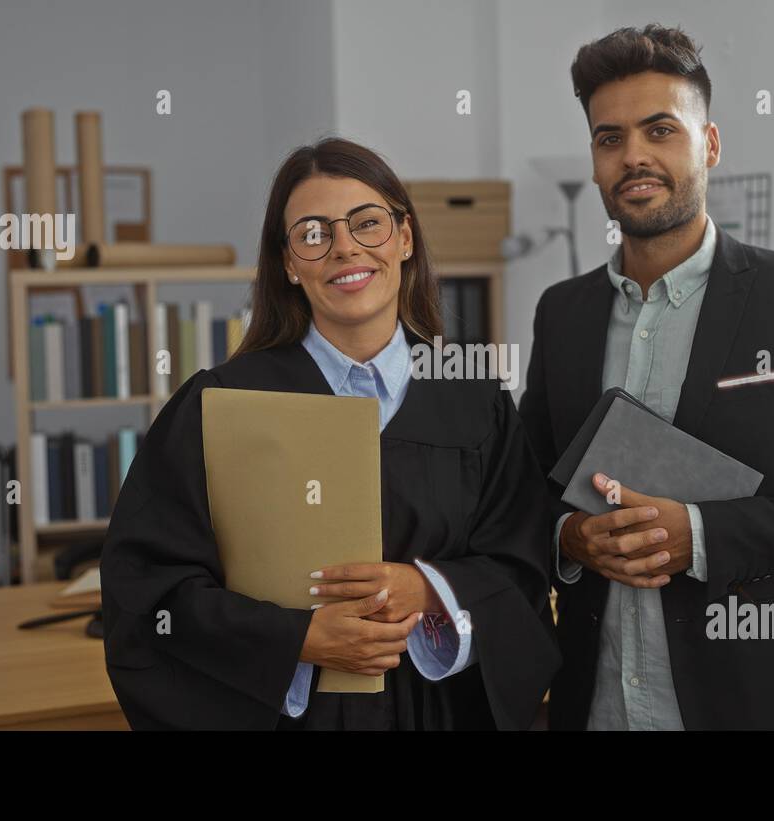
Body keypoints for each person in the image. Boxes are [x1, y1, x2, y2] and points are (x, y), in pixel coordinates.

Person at [517, 25, 774, 730]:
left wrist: (698, 535)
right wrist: (570, 540)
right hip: (597, 706)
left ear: (709, 145)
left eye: (660, 129)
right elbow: (523, 491)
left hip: (759, 704)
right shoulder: (563, 313)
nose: (633, 155)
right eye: (610, 139)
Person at [101, 137, 559, 730]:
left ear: (405, 239)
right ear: (290, 262)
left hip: (441, 716)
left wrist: (430, 589)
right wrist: (296, 639)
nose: (344, 247)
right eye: (313, 234)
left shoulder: (474, 399)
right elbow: (149, 593)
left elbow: (522, 568)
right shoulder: (223, 404)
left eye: (367, 223)